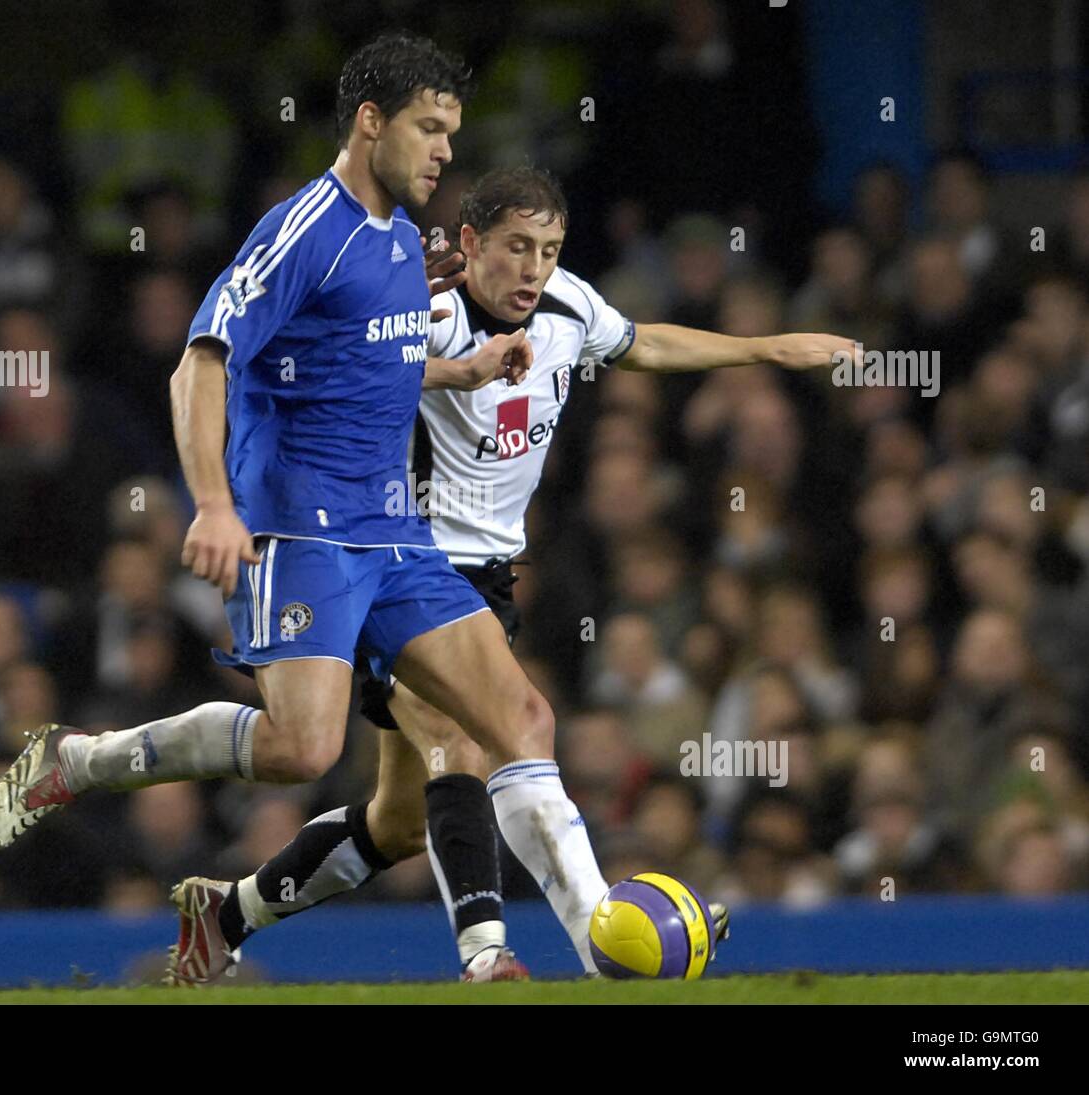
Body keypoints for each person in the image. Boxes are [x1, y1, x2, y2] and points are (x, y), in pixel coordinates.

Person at [0, 33, 609, 985]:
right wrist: (211, 506)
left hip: (394, 531)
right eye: (429, 129)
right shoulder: (302, 230)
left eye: (452, 132)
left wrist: (459, 367)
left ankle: (556, 949)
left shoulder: (403, 240)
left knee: (520, 717)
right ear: (370, 122)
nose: (445, 152)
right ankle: (84, 757)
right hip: (300, 528)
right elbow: (200, 363)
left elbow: (366, 364)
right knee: (300, 748)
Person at [200, 164, 855, 975]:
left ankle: (228, 911)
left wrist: (765, 348)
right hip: (398, 563)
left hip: (486, 577)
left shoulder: (572, 305)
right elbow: (347, 372)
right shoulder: (426, 316)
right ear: (471, 244)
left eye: (548, 248)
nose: (534, 266)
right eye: (517, 246)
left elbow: (641, 342)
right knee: (468, 739)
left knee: (402, 820)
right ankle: (544, 947)